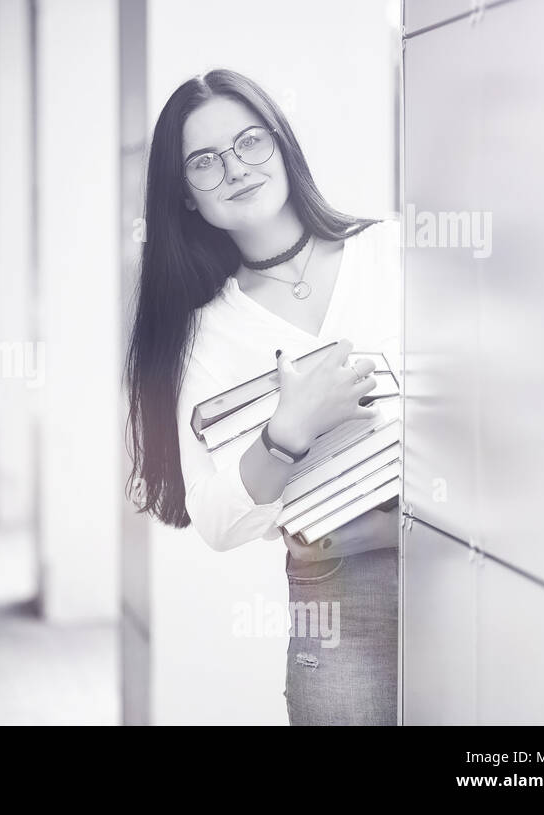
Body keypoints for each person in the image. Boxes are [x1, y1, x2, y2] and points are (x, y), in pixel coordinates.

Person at [124, 69, 403, 725]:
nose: (235, 169)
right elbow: (217, 521)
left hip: (463, 551)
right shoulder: (205, 334)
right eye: (205, 162)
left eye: (250, 143)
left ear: (282, 145)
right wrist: (287, 432)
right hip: (339, 588)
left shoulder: (389, 250)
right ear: (185, 195)